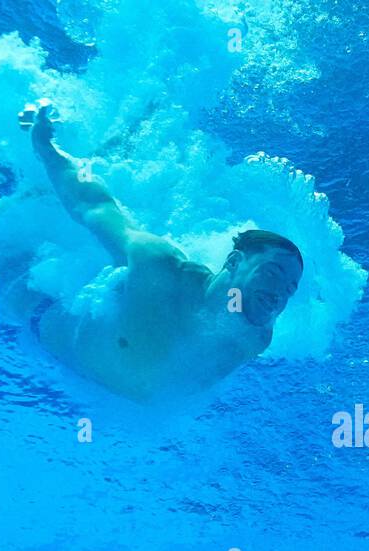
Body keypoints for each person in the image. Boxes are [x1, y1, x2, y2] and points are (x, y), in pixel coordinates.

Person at [16, 99, 304, 400]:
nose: (278, 293)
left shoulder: (255, 338)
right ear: (233, 261)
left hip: (91, 403)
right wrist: (45, 147)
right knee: (22, 213)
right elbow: (91, 204)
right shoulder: (158, 267)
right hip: (38, 330)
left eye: (290, 288)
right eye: (272, 273)